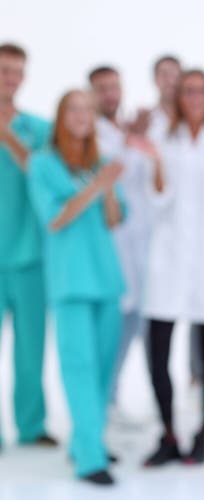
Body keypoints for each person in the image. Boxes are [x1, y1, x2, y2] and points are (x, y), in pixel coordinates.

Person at [134, 69, 204, 466]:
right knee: (158, 346)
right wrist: (157, 163)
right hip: (170, 253)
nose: (195, 97)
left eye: (202, 91)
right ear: (179, 97)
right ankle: (167, 431)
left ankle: (203, 431)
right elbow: (157, 198)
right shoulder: (162, 137)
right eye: (188, 91)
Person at [27, 90, 126, 485]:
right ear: (60, 116)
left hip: (107, 277)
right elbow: (54, 219)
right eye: (75, 109)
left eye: (88, 109)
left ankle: (87, 440)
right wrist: (95, 186)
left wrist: (106, 189)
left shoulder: (97, 163)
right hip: (70, 280)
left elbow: (115, 219)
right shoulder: (43, 164)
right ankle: (89, 458)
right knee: (78, 367)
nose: (83, 115)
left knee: (103, 368)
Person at [0, 42, 58, 452]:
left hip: (29, 255)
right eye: (4, 70)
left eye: (17, 71)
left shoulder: (39, 129)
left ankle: (31, 424)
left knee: (30, 347)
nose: (10, 79)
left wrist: (6, 135)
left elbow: (45, 177)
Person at [88, 65, 152, 430]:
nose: (110, 95)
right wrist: (130, 141)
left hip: (139, 243)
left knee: (130, 326)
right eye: (102, 89)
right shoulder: (92, 134)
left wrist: (133, 139)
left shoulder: (127, 133)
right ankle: (100, 405)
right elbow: (111, 174)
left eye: (114, 87)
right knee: (109, 328)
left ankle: (110, 398)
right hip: (110, 243)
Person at [147, 55, 181, 142]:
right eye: (164, 75)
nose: (171, 81)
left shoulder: (195, 121)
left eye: (175, 75)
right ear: (155, 79)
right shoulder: (145, 122)